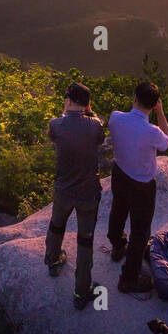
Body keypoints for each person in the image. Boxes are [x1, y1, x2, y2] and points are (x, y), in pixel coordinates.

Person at [44, 82, 107, 310]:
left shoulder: (55, 125)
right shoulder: (95, 126)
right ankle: (81, 291)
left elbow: (57, 134)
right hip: (88, 193)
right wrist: (89, 114)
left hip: (63, 190)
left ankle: (52, 260)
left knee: (56, 225)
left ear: (68, 100)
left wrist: (68, 115)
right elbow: (99, 137)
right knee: (85, 240)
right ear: (88, 104)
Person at [106, 81, 168, 293]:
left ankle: (117, 245)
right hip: (142, 185)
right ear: (154, 106)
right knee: (140, 231)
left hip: (119, 174)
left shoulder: (115, 118)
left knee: (118, 210)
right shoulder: (152, 132)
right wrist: (161, 113)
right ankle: (129, 278)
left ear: (134, 98)